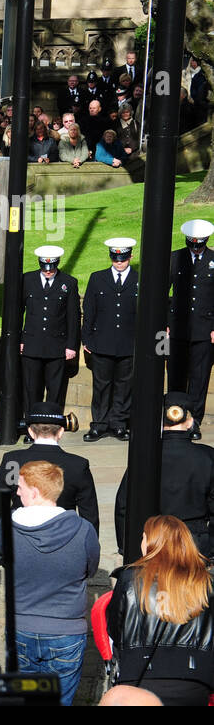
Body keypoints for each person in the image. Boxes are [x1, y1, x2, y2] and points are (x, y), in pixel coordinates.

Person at [0, 460, 99, 706]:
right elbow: (91, 569)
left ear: (34, 491)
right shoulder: (84, 529)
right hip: (66, 632)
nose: (17, 491)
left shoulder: (5, 526)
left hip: (20, 627)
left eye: (20, 487)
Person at [106, 514, 214, 706]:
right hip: (195, 679)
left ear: (151, 542)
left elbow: (114, 628)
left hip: (139, 675)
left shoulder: (130, 579)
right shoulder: (206, 583)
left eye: (143, 537)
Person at [0, 402, 98, 565]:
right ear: (61, 432)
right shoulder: (77, 465)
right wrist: (89, 553)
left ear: (31, 431)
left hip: (21, 541)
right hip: (64, 540)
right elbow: (89, 515)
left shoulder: (13, 461)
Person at [115, 393, 214, 556]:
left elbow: (124, 505)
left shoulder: (145, 456)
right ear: (190, 422)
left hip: (156, 539)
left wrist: (125, 546)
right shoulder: (207, 457)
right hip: (195, 542)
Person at [82, 238, 137, 441]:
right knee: (101, 386)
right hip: (102, 343)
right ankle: (99, 425)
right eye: (115, 258)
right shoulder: (98, 278)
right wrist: (86, 338)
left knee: (124, 387)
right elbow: (89, 309)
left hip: (128, 343)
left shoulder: (139, 279)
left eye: (123, 258)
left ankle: (119, 424)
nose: (119, 262)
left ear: (130, 256)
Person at [20, 245, 79, 411]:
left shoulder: (68, 283)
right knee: (31, 390)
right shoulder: (27, 280)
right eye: (44, 268)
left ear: (57, 264)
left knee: (55, 390)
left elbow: (73, 317)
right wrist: (20, 340)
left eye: (51, 268)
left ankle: (51, 427)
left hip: (56, 346)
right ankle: (32, 426)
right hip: (32, 344)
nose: (48, 271)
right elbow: (18, 312)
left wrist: (71, 346)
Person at [170, 219, 214, 439]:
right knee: (176, 376)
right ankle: (175, 418)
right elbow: (160, 293)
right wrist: (165, 324)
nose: (195, 248)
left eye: (199, 244)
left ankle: (194, 421)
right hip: (178, 329)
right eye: (192, 244)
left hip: (204, 329)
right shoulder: (175, 258)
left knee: (199, 377)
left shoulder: (213, 260)